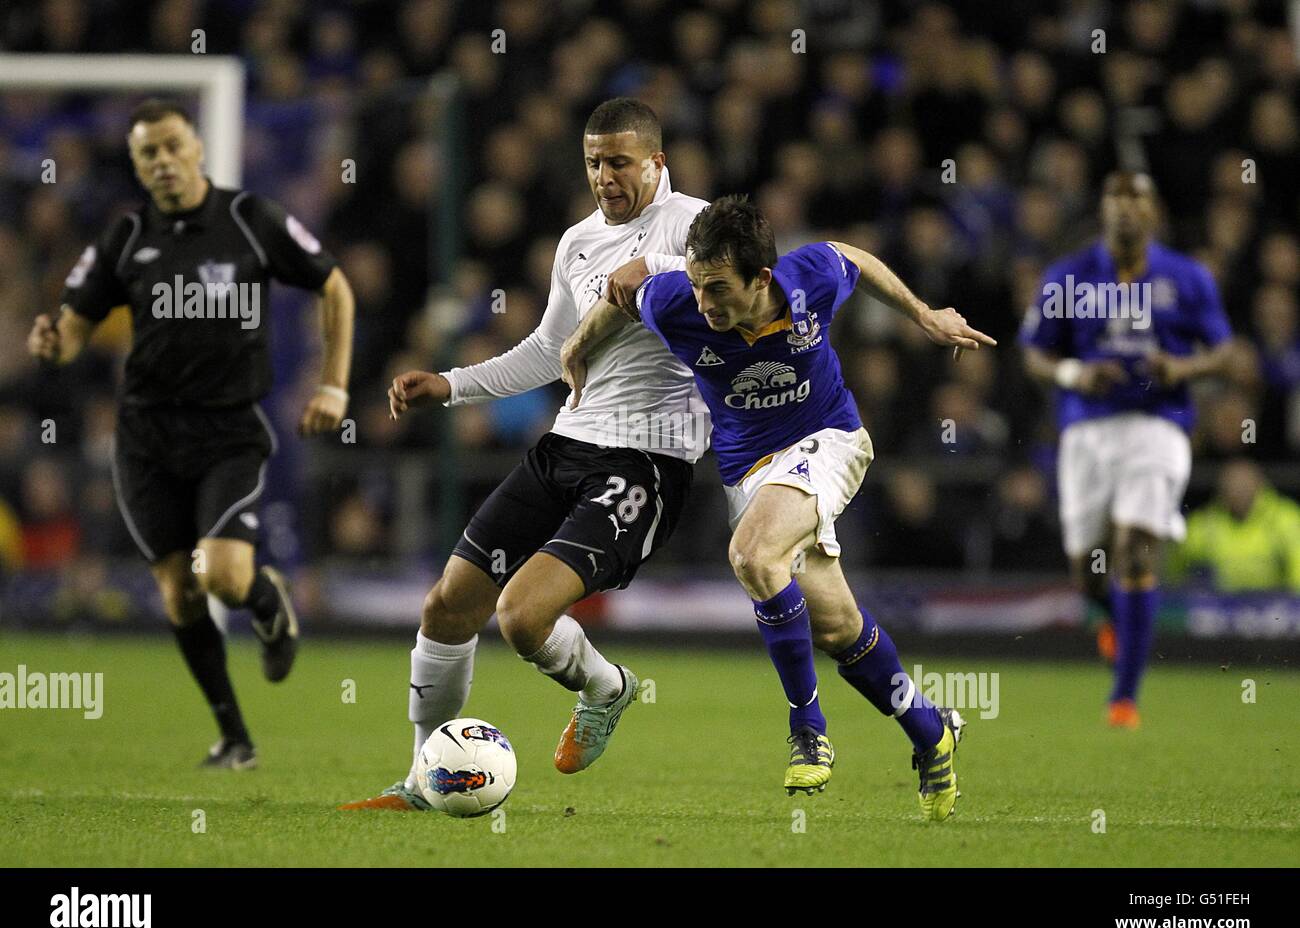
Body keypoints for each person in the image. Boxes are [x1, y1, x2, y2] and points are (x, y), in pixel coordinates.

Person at [562, 195, 996, 820]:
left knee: (752, 554)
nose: (706, 305)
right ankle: (932, 731)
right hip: (752, 473)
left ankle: (808, 729)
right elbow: (624, 291)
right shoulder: (675, 302)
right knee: (840, 629)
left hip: (829, 440)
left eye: (718, 290)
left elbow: (851, 256)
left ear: (761, 279)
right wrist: (577, 344)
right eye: (697, 286)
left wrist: (923, 314)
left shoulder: (807, 278)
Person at [340, 98, 710, 811]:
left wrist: (651, 263)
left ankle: (606, 686)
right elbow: (546, 350)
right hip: (566, 444)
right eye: (594, 161)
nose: (604, 175)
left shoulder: (692, 224)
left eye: (620, 161)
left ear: (657, 162)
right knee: (447, 605)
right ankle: (423, 776)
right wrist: (450, 384)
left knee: (519, 616)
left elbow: (744, 279)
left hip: (645, 461)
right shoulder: (575, 242)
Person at [27, 99, 355, 768]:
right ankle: (233, 735)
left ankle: (268, 601)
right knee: (177, 590)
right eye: (148, 153)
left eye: (173, 145)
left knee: (223, 574)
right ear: (140, 167)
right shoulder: (125, 238)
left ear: (197, 148)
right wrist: (50, 342)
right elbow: (72, 333)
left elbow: (336, 288)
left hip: (229, 430)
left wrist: (333, 384)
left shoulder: (250, 219)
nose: (163, 161)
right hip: (145, 439)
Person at [1020, 171, 1234, 729]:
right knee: (1087, 570)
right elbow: (1034, 354)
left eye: (1137, 196)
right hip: (1087, 430)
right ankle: (1119, 622)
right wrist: (1075, 373)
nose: (1125, 208)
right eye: (1115, 196)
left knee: (1136, 547)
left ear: (1153, 211)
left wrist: (1183, 366)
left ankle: (1124, 698)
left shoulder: (1186, 277)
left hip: (1158, 423)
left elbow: (1225, 351)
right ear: (1102, 209)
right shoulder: (1067, 276)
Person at [1168, 459, 1300, 593]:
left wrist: (1291, 604)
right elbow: (1176, 571)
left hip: (1276, 606)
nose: (1237, 493)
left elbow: (1298, 571)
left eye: (1244, 486)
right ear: (1221, 490)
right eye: (1231, 487)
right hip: (1219, 606)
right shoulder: (1204, 523)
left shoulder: (1287, 518)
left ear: (1259, 484)